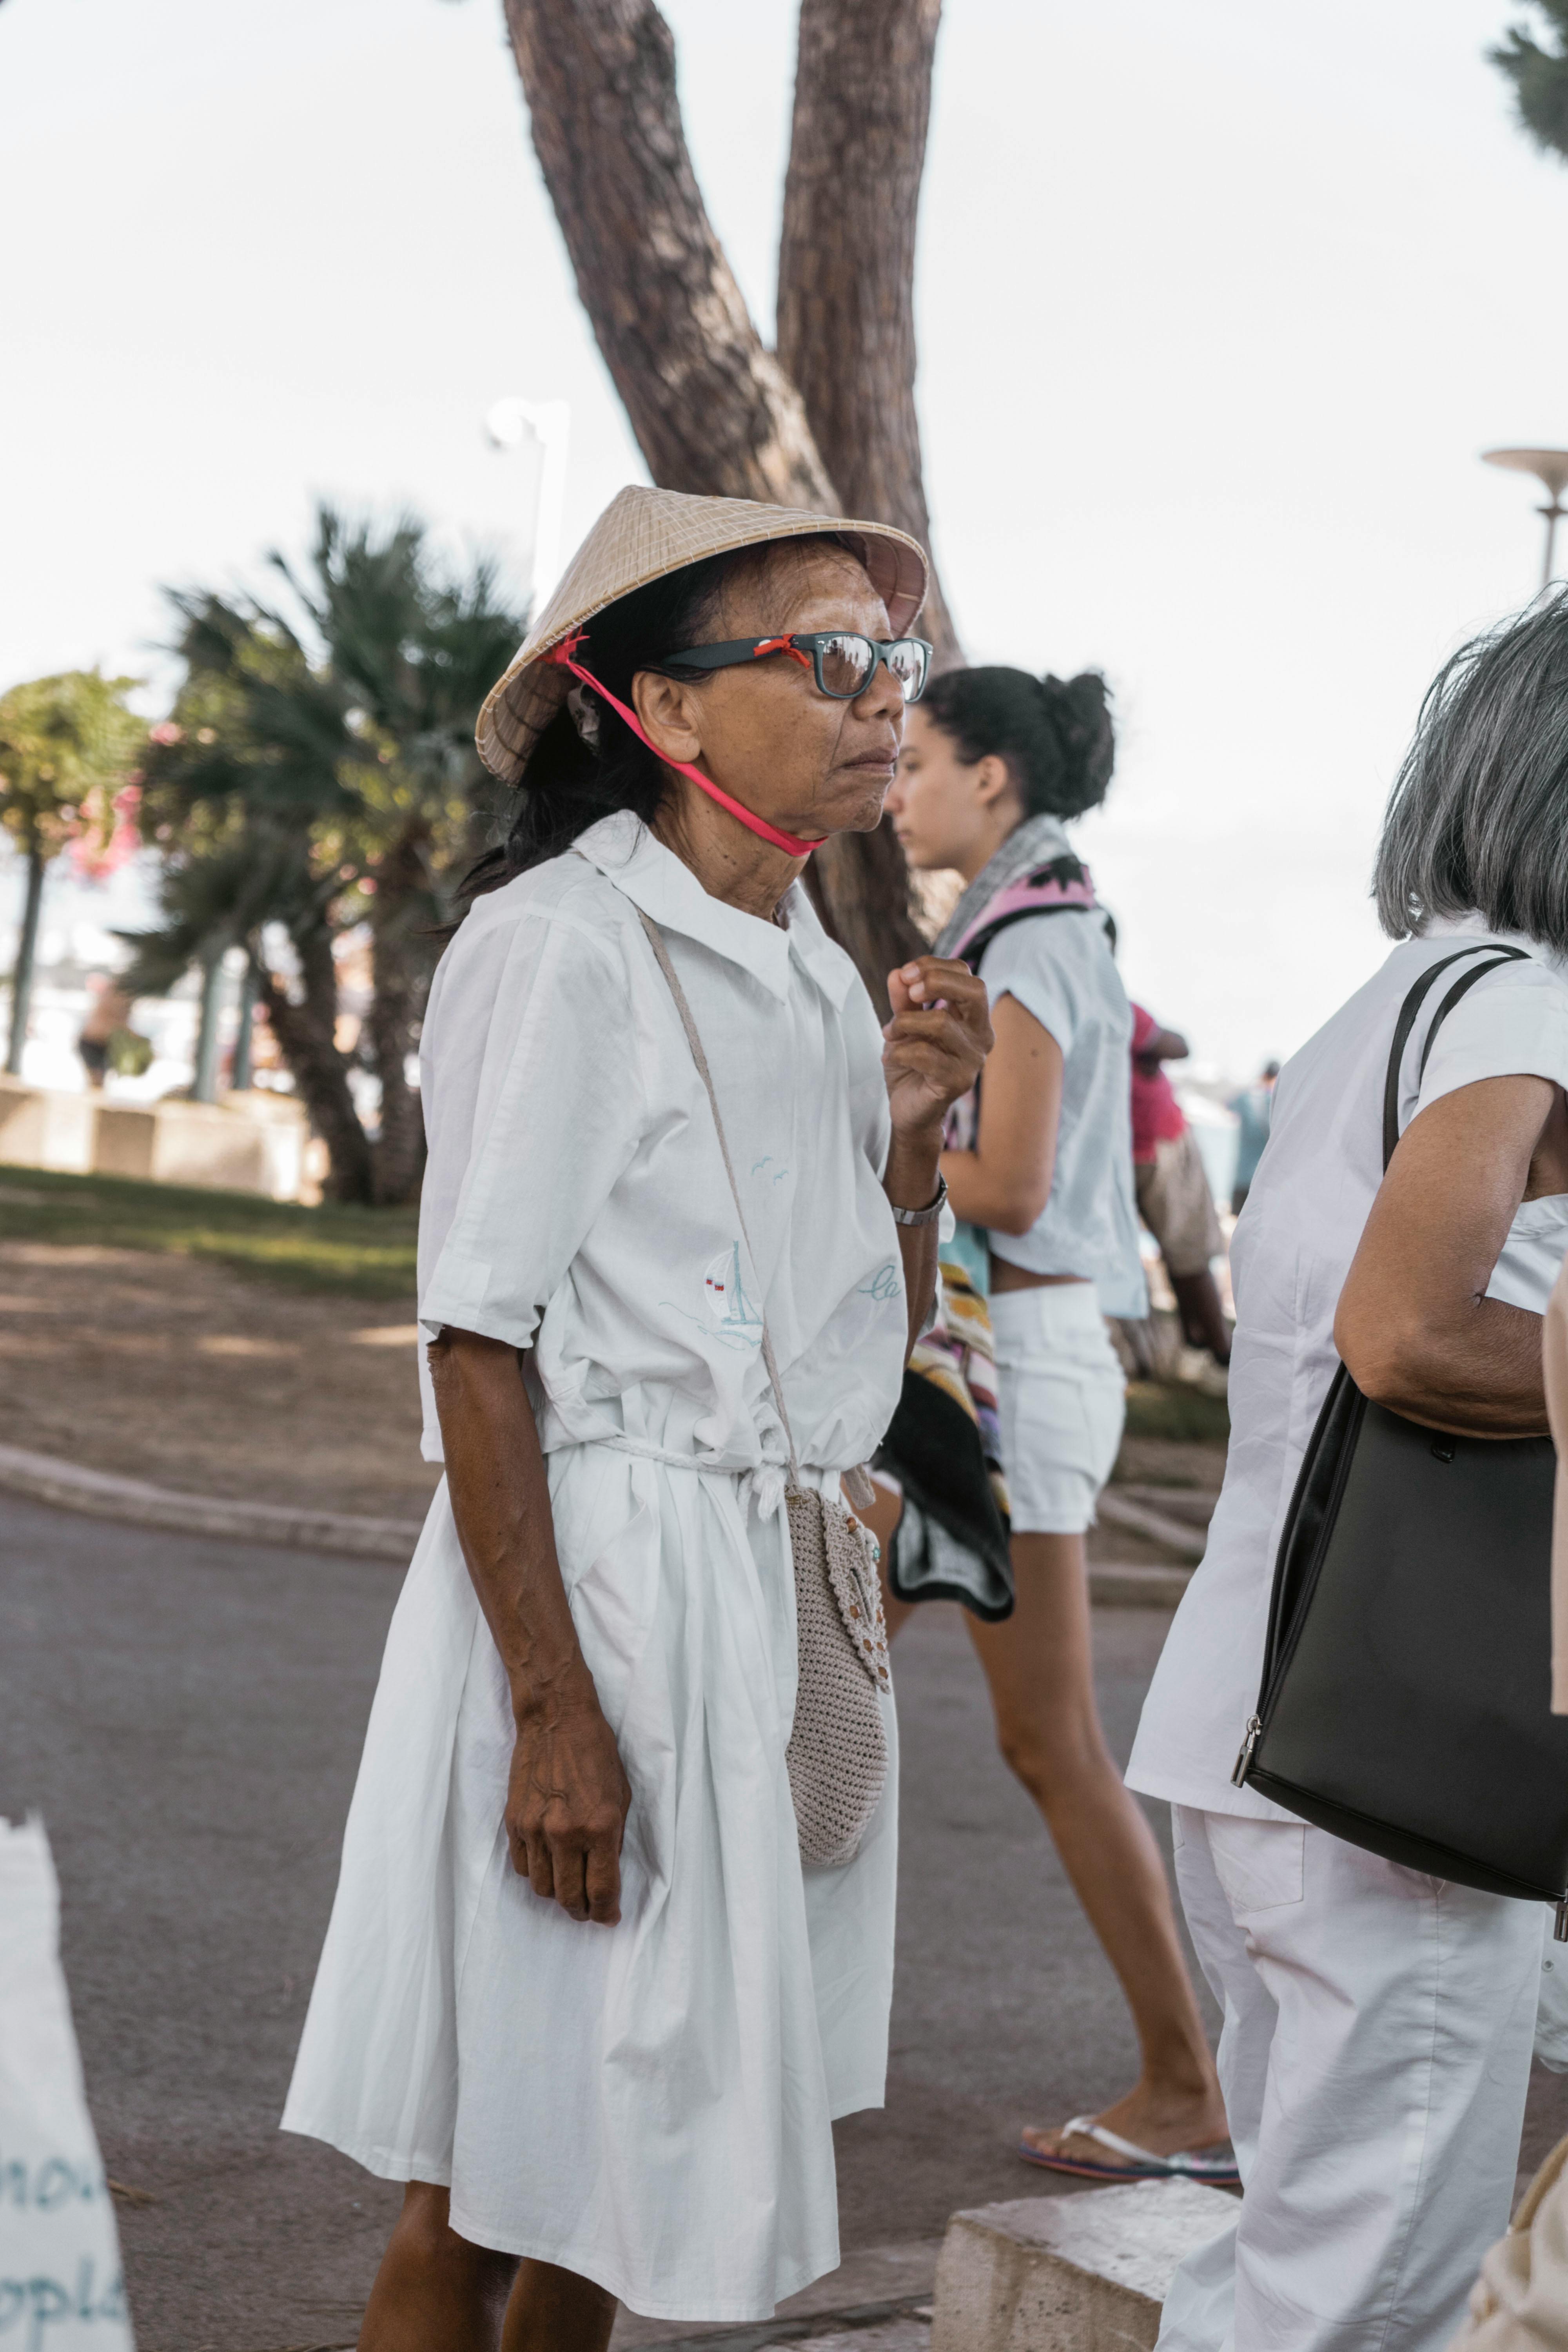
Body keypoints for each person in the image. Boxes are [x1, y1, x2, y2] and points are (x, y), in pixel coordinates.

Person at [279, 483, 991, 2352]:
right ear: (663, 709)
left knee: (625, 2166)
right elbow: (474, 1339)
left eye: (888, 661)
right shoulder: (560, 945)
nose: (876, 700)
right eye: (821, 658)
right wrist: (550, 1713)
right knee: (486, 2166)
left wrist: (910, 1143)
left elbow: (856, 1341)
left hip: (746, 1580)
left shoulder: (823, 981)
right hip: (588, 1585)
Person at [1126, 596, 1568, 2351]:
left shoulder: (1390, 998)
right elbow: (1402, 1337)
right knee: (1359, 2294)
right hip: (1390, 1765)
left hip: (1264, 1722)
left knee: (1285, 2260)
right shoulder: (1523, 1006)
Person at [882, 666, 1234, 2188]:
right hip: (994, 1366)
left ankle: (1187, 2085)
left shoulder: (1025, 939)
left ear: (995, 783)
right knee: (802, 1679)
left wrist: (840, 1128)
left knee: (1045, 1738)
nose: (896, 788)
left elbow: (1010, 1189)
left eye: (918, 763)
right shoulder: (1042, 925)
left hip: (1008, 1369)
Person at [1129, 1004, 1230, 1365]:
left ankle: (1204, 1346)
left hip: (1144, 1146)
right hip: (1154, 1145)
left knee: (1184, 1256)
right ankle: (1217, 1351)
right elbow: (1177, 1045)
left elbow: (1177, 1047)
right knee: (1189, 1254)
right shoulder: (1118, 1008)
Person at [1227, 1058, 1279, 1214]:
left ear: (1264, 1075)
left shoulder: (1246, 1099)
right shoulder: (1279, 1103)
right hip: (1265, 1180)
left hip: (1242, 1177)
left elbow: (1227, 1104)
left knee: (1238, 1226)